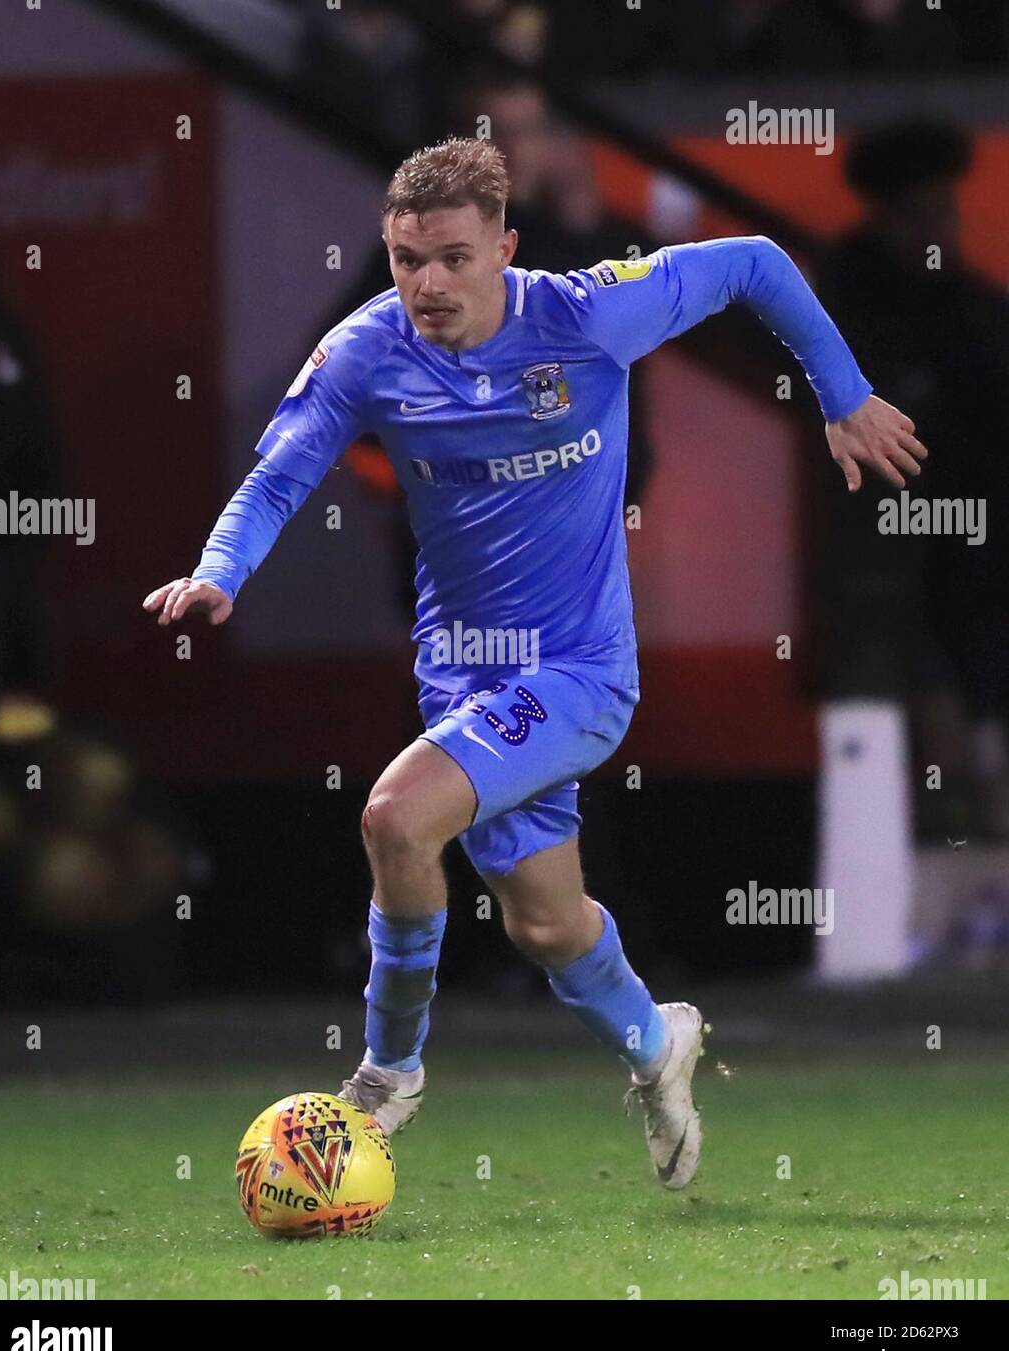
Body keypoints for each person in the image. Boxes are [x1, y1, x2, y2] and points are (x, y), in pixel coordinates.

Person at [143, 137, 925, 1189]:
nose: (428, 283)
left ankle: (388, 1070)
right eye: (407, 258)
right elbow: (277, 478)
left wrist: (840, 391)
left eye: (454, 258)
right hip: (460, 675)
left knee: (392, 816)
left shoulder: (587, 314)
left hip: (578, 673)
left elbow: (752, 262)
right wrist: (218, 568)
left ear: (504, 248)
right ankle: (657, 1042)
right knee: (545, 922)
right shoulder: (366, 352)